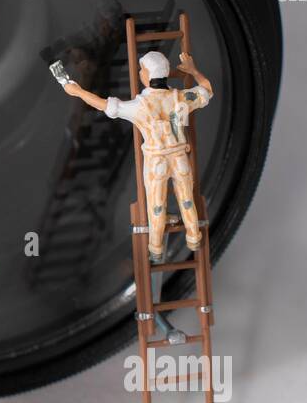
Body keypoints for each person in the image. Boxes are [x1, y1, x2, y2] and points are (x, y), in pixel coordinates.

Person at [59, 50, 213, 263]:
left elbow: (104, 105)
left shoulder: (140, 106)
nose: (140, 73)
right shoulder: (179, 98)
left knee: (156, 206)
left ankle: (157, 248)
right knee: (186, 200)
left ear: (148, 75)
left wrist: (77, 92)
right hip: (179, 158)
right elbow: (207, 89)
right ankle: (194, 236)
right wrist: (193, 70)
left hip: (156, 161)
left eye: (142, 70)